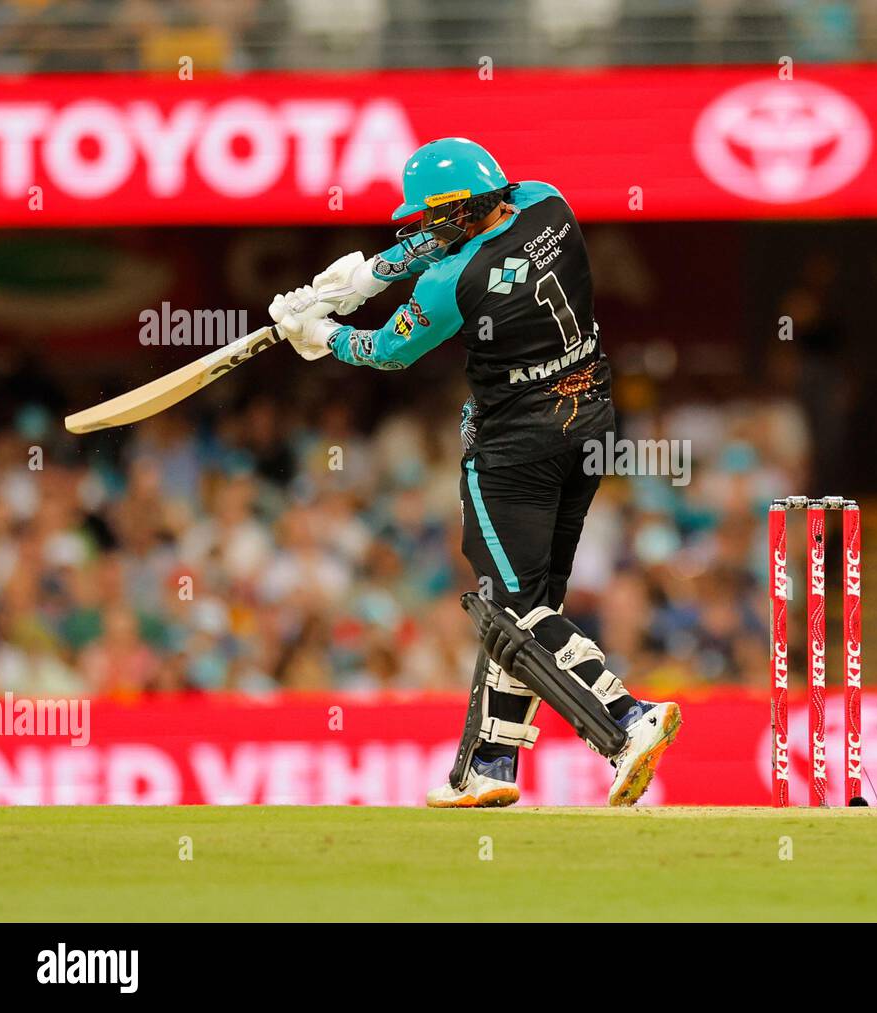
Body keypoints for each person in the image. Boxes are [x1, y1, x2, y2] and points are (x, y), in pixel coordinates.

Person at [267, 138, 681, 807]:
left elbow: (389, 349)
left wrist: (323, 336)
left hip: (514, 451)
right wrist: (366, 276)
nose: (425, 227)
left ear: (459, 208)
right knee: (530, 605)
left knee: (508, 609)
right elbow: (451, 239)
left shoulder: (450, 285)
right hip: (589, 430)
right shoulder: (547, 202)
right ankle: (488, 763)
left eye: (433, 215)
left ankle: (626, 718)